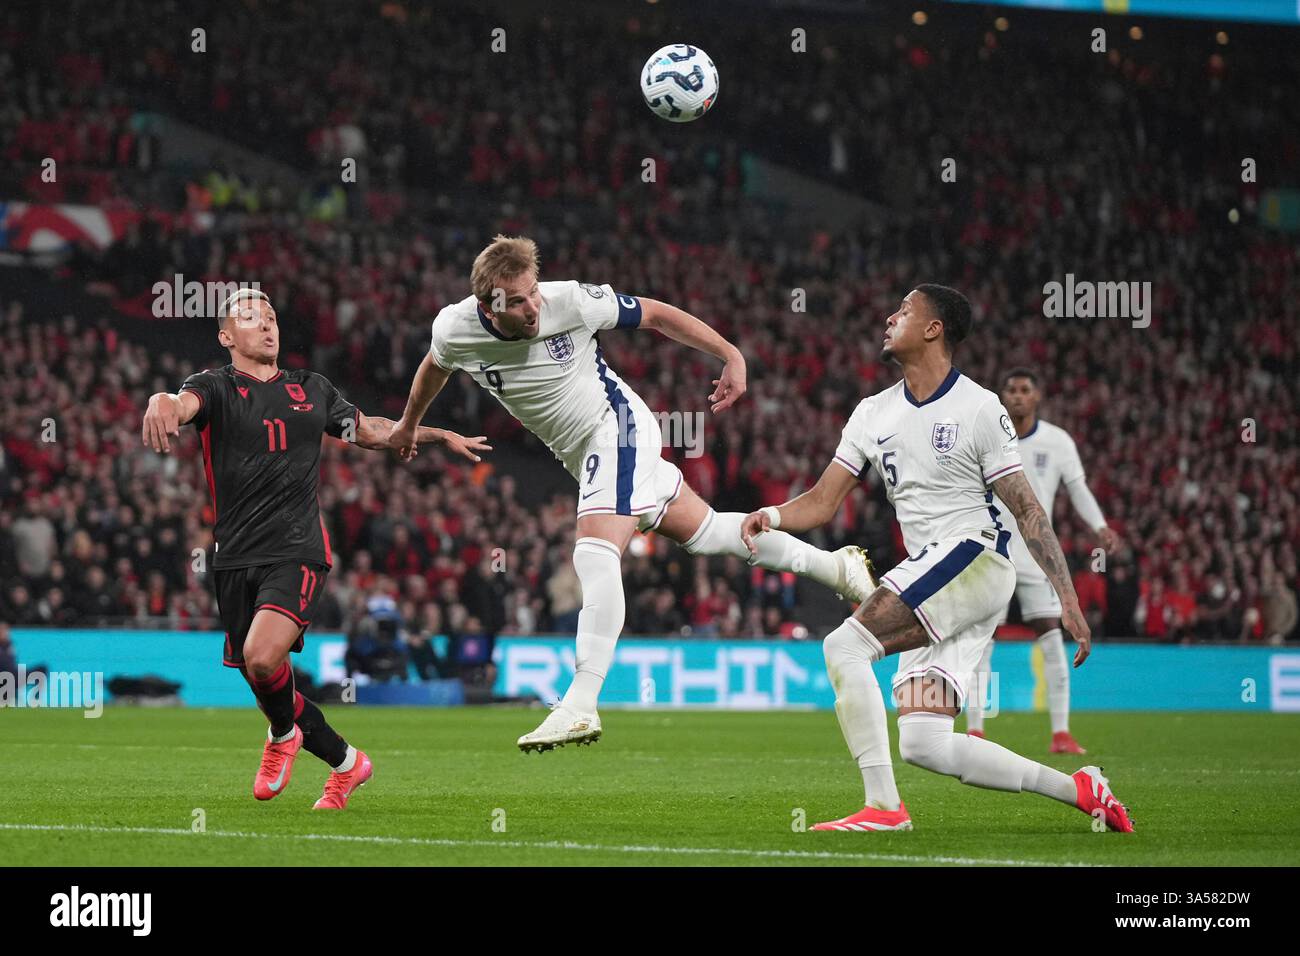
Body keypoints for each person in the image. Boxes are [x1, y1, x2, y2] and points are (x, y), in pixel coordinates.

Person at [388, 235, 877, 752]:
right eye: (519, 300)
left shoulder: (572, 300)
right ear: (490, 305)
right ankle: (836, 568)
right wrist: (407, 425)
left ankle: (580, 701)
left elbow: (657, 315)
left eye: (534, 291)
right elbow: (434, 369)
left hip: (616, 427)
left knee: (595, 552)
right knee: (712, 533)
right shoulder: (455, 327)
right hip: (580, 454)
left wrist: (730, 354)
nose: (533, 306)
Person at [741, 285, 1133, 833]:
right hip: (941, 577)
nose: (889, 316)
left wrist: (1066, 598)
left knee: (844, 644)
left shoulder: (978, 406)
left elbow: (1028, 509)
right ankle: (1081, 789)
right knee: (925, 743)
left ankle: (883, 807)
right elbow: (823, 501)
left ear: (933, 329)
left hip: (973, 557)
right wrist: (774, 515)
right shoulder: (872, 412)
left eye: (903, 310)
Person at [141, 289, 488, 808]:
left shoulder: (312, 388)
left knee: (261, 657)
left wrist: (434, 434)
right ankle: (348, 763)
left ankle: (282, 738)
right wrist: (158, 401)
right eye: (251, 318)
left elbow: (372, 430)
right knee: (263, 674)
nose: (267, 325)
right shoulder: (213, 387)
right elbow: (180, 403)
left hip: (298, 548)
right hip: (234, 556)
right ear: (226, 336)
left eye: (272, 316)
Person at [964, 368, 1120, 754]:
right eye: (1011, 389)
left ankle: (1061, 734)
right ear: (1002, 396)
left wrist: (1100, 526)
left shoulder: (1057, 441)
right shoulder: (985, 434)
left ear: (1037, 397)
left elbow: (1077, 488)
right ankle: (976, 730)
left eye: (1024, 390)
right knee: (983, 642)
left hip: (1036, 556)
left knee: (1052, 639)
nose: (1017, 396)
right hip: (992, 552)